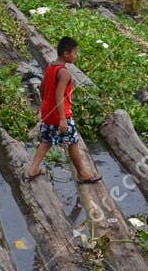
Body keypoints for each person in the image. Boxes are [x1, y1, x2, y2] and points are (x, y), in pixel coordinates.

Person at [26, 36, 100, 183]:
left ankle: (32, 169)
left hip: (48, 112)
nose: (76, 56)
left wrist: (45, 105)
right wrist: (62, 119)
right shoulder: (64, 72)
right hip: (60, 115)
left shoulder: (51, 67)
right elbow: (59, 95)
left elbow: (42, 88)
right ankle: (83, 173)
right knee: (72, 141)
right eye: (75, 53)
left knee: (46, 140)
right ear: (66, 54)